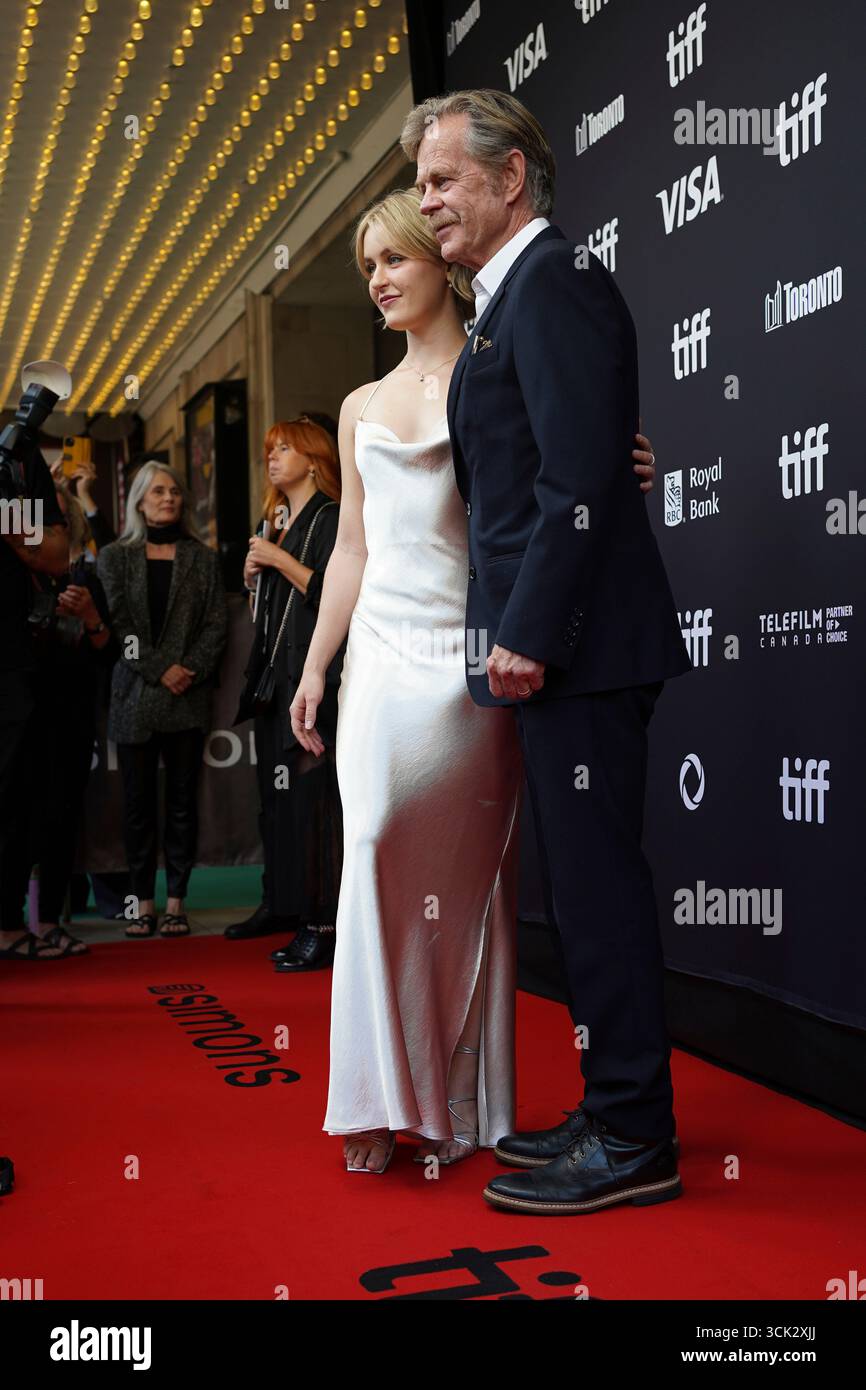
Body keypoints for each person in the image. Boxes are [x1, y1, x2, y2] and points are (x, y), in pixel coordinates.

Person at [290, 187, 658, 1173]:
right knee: (367, 846)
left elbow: (562, 473)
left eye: (392, 258)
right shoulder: (360, 404)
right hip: (379, 655)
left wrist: (623, 465)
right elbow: (353, 552)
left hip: (471, 657)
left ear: (436, 262)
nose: (376, 278)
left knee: (472, 884)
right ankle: (378, 1098)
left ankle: (464, 1096)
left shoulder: (495, 362)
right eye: (365, 265)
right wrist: (317, 663)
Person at [404, 88, 692, 1214]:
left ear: (509, 177)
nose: (426, 199)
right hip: (563, 645)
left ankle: (633, 1137)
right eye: (421, 183)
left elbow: (576, 484)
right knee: (577, 893)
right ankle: (609, 1103)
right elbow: (561, 463)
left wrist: (525, 630)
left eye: (441, 178)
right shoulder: (506, 300)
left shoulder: (554, 284)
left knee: (599, 893)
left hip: (576, 647)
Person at [227, 418, 343, 973]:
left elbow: (331, 593)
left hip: (315, 679)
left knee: (316, 804)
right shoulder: (272, 521)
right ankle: (282, 903)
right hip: (274, 681)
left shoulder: (331, 515)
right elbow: (265, 612)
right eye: (269, 449)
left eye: (284, 448)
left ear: (315, 457)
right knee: (276, 804)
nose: (271, 458)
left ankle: (321, 923)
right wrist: (255, 575)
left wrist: (276, 561)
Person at [98, 462, 227, 938]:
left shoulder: (203, 557)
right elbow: (119, 623)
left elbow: (217, 625)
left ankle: (176, 903)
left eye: (174, 491)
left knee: (181, 806)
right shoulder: (115, 556)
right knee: (136, 808)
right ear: (138, 501)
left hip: (186, 697)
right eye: (157, 491)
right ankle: (141, 905)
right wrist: (158, 669)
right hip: (136, 694)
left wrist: (186, 670)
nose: (168, 498)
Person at [2, 487, 117, 957]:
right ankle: (9, 925)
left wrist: (89, 616)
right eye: (45, 530)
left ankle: (48, 920)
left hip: (72, 717)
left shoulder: (86, 579)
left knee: (62, 821)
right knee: (16, 821)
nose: (52, 537)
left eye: (59, 528)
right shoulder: (14, 579)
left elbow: (110, 651)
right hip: (22, 719)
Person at [0, 448, 69, 961]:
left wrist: (9, 501)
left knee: (15, 797)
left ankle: (6, 924)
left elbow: (51, 554)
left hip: (11, 663)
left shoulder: (11, 470)